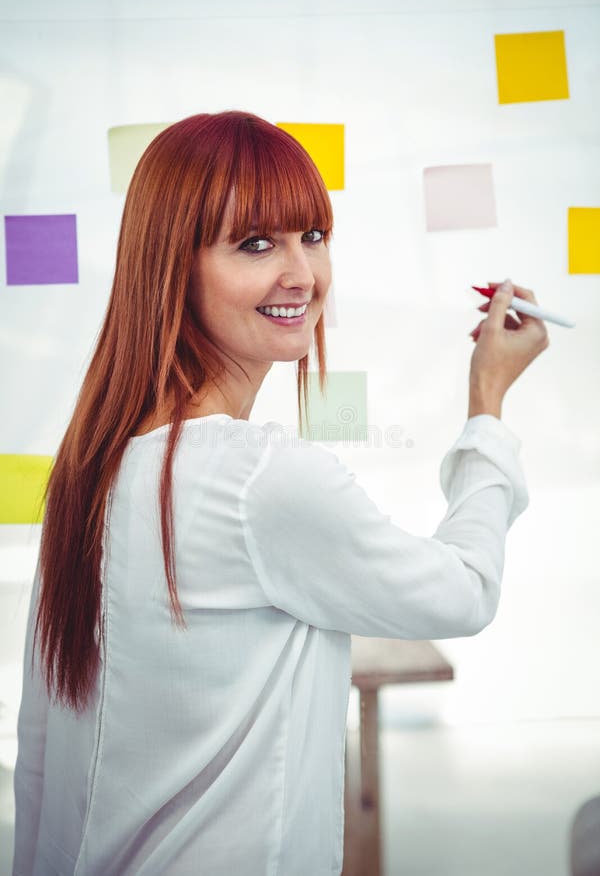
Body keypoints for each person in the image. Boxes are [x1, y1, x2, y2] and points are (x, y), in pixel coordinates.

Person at [11, 109, 549, 876]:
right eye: (256, 244)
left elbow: (47, 755)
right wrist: (487, 407)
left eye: (313, 235)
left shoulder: (92, 467)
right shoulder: (258, 481)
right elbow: (462, 591)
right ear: (173, 265)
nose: (302, 273)